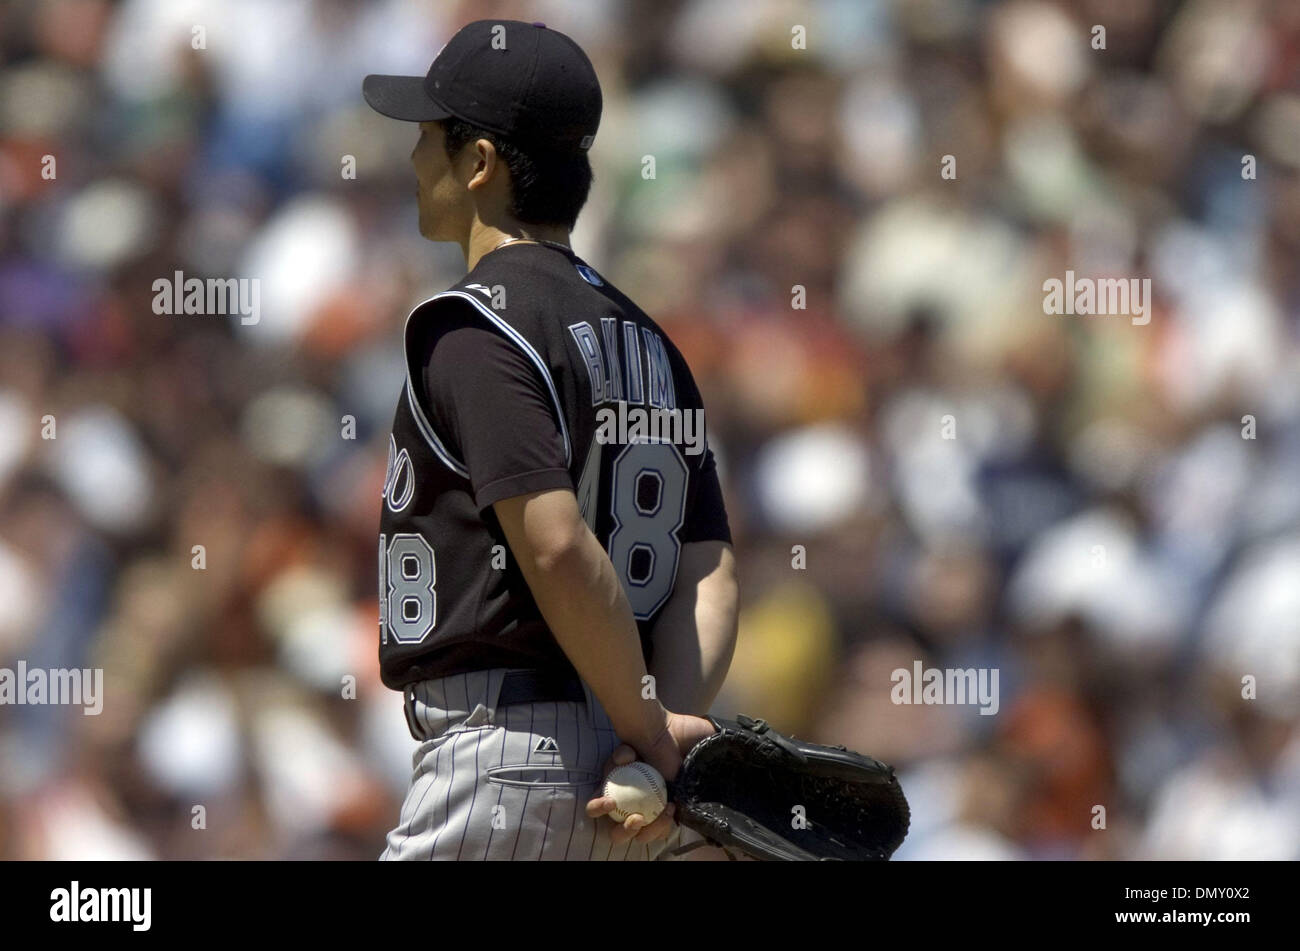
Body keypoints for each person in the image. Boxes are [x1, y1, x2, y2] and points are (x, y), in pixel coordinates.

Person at [363, 19, 739, 860]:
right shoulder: (652, 342)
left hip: (506, 762)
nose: (415, 158)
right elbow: (708, 572)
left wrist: (649, 724)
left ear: (480, 162)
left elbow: (558, 546)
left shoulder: (474, 326)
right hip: (627, 783)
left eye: (429, 136)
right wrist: (656, 742)